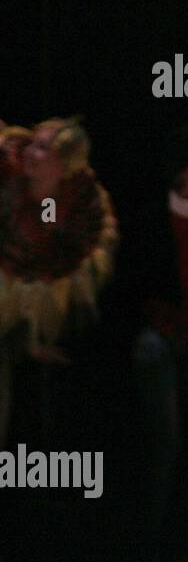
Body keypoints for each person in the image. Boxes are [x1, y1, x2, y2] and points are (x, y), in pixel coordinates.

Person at [0, 117, 118, 453]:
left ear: (64, 163)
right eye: (32, 143)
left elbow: (52, 261)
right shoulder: (7, 170)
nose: (30, 152)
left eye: (43, 147)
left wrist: (27, 334)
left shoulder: (80, 210)